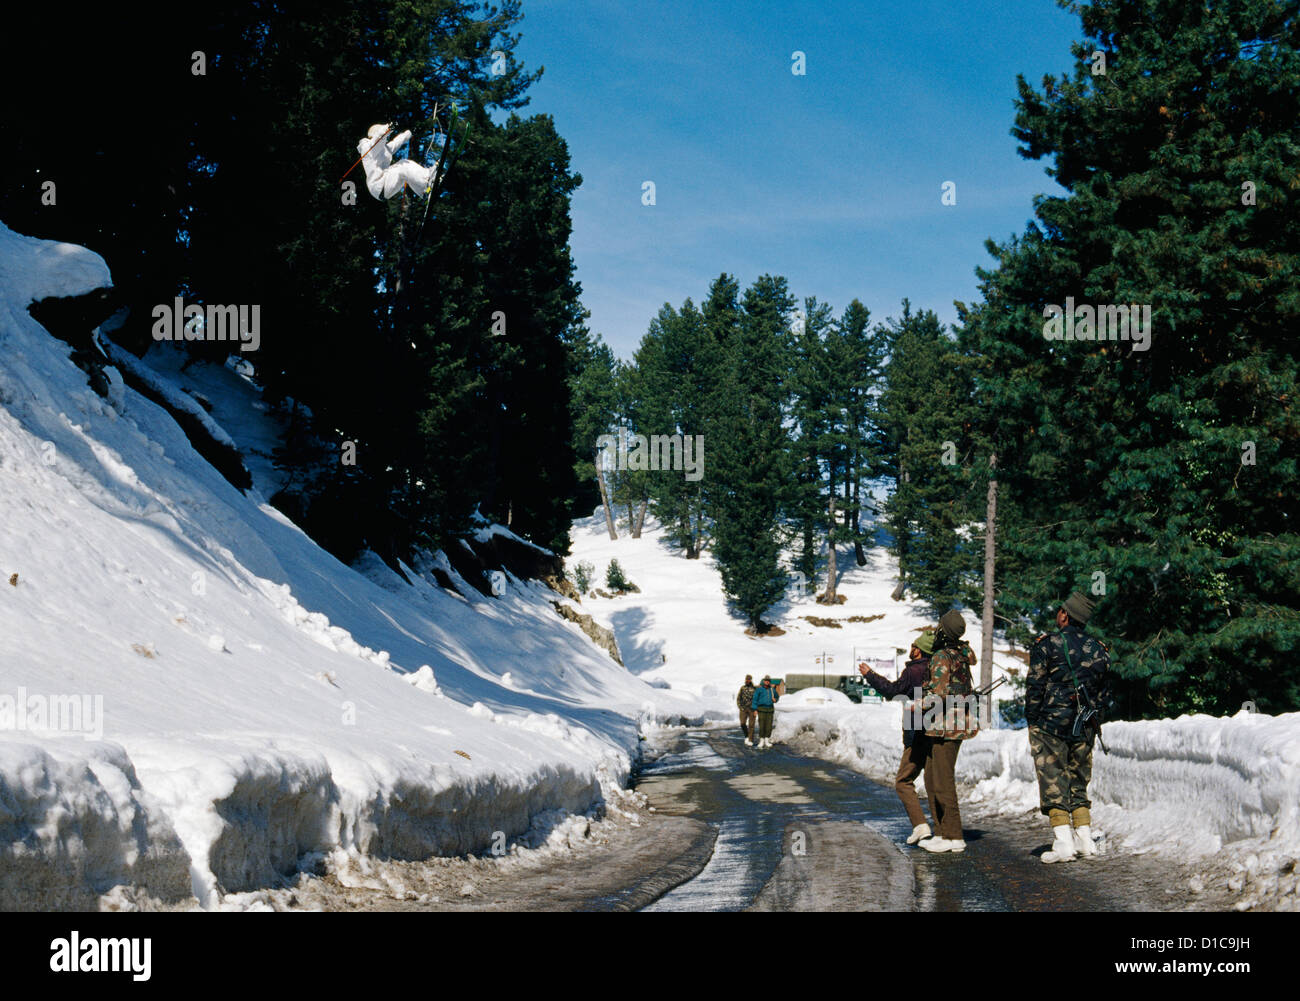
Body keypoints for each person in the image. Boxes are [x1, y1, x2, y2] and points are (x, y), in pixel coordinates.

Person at [1027, 591, 1112, 864]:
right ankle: (1085, 840)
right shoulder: (1100, 649)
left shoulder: (1047, 645)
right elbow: (1104, 692)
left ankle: (1063, 842)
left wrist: (1033, 717)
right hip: (1085, 724)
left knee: (1053, 780)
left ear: (1066, 615)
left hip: (1050, 724)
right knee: (1079, 781)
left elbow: (1035, 686)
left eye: (1060, 610)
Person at [859, 630, 936, 845]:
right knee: (933, 780)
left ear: (918, 650)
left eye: (913, 645)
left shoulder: (914, 671)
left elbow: (893, 691)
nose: (911, 648)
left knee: (903, 780)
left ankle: (920, 826)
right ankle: (944, 829)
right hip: (936, 731)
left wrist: (870, 675)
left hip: (916, 731)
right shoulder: (938, 668)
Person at [915, 610, 979, 853]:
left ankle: (954, 836)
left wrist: (919, 702)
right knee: (932, 777)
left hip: (946, 726)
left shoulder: (942, 656)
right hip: (951, 724)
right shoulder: (961, 653)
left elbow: (938, 694)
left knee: (942, 780)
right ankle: (942, 832)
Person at [355, 123, 438, 201]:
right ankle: (428, 179)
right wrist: (388, 127)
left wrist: (409, 133)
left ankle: (424, 191)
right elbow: (378, 139)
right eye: (385, 137)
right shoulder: (367, 148)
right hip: (378, 184)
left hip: (383, 184)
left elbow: (396, 142)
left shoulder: (384, 149)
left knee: (405, 174)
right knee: (403, 165)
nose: (386, 139)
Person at [750, 675, 779, 749]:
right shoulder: (759, 689)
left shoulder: (772, 690)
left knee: (769, 726)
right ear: (764, 681)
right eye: (766, 680)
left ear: (770, 682)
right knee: (762, 725)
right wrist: (755, 709)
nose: (767, 682)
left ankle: (767, 740)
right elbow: (755, 699)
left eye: (768, 681)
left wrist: (775, 699)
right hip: (761, 709)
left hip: (770, 710)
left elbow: (777, 696)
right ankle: (761, 741)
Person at [737, 674, 757, 746]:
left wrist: (756, 709)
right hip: (743, 709)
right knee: (742, 723)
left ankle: (750, 740)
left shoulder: (754, 688)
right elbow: (738, 698)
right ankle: (746, 736)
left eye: (749, 679)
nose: (747, 680)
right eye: (747, 679)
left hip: (752, 709)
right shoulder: (742, 688)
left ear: (751, 680)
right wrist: (740, 707)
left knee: (751, 725)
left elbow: (757, 698)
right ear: (745, 680)